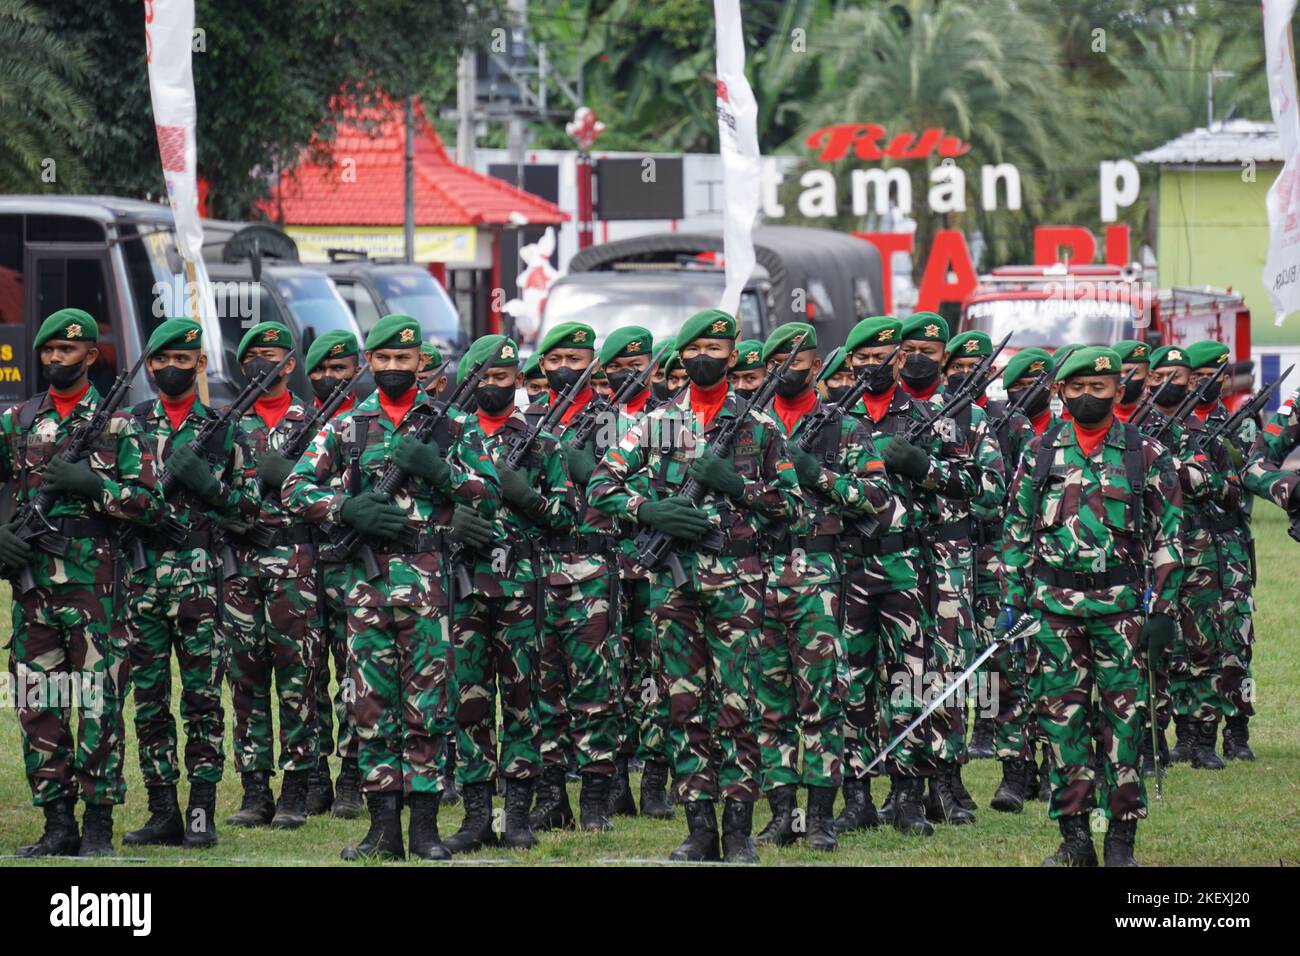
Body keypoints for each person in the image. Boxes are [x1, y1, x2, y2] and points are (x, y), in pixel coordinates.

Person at [284, 313, 500, 860]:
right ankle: (382, 829)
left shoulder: (452, 426)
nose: (394, 368)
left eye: (404, 359)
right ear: (370, 363)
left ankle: (424, 827)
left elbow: (491, 491)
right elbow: (293, 486)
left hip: (429, 583)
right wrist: (345, 506)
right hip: (364, 586)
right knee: (370, 705)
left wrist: (441, 471)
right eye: (383, 359)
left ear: (419, 363)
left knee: (428, 705)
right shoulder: (348, 425)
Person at [588, 308, 800, 862]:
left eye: (716, 348)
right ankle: (698, 827)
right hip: (673, 585)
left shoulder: (761, 424)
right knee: (682, 706)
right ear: (681, 358)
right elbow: (600, 486)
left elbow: (795, 509)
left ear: (733, 356)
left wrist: (740, 488)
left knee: (739, 705)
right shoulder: (655, 423)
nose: (705, 357)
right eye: (695, 349)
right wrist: (651, 510)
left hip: (739, 583)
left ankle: (739, 832)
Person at [1001, 346, 1183, 866]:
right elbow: (1016, 535)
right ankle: (1075, 840)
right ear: (1059, 392)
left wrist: (1164, 613)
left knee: (1126, 727)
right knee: (1063, 728)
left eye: (1098, 388)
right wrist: (1010, 604)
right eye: (1076, 388)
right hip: (1053, 615)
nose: (1087, 396)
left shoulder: (1143, 454)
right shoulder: (1038, 453)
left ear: (1118, 390)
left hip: (1123, 613)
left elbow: (1171, 537)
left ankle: (1121, 842)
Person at [0, 308, 163, 856]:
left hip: (96, 586)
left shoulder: (121, 425)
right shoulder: (17, 419)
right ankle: (57, 825)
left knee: (98, 703)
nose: (54, 360)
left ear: (91, 356)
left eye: (66, 351)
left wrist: (93, 485)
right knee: (37, 702)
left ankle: (96, 827)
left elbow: (149, 503)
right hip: (33, 589)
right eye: (47, 351)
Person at [752, 322, 892, 852]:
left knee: (823, 700)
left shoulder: (844, 428)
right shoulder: (750, 426)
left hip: (818, 578)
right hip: (757, 573)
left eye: (800, 361)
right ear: (767, 370)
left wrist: (821, 477)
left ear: (816, 367)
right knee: (768, 702)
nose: (789, 370)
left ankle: (820, 818)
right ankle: (781, 813)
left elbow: (880, 501)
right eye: (779, 363)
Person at [122, 318, 261, 850]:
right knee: (151, 701)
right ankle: (162, 810)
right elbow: (110, 499)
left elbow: (252, 510)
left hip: (203, 584)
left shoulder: (224, 430)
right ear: (151, 365)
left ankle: (201, 810)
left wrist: (213, 490)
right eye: (164, 360)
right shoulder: (130, 426)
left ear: (201, 364)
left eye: (186, 360)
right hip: (143, 583)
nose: (174, 368)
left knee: (203, 699)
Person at [442, 333, 573, 852]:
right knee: (468, 702)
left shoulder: (542, 442)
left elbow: (566, 518)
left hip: (520, 589)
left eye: (501, 378)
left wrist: (530, 500)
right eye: (482, 378)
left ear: (518, 382)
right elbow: (428, 508)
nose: (491, 387)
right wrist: (453, 525)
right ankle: (476, 818)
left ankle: (517, 816)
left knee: (523, 701)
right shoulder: (448, 438)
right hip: (465, 587)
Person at [223, 321, 322, 831]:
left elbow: (335, 492)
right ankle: (255, 789)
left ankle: (298, 789)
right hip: (239, 565)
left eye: (273, 355)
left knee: (297, 677)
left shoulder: (316, 421)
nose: (264, 364)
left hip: (295, 565)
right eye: (254, 356)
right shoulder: (225, 424)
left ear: (290, 365)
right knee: (245, 679)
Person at [526, 320, 624, 833]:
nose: (566, 369)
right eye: (556, 361)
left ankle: (594, 800)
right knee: (543, 687)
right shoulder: (528, 421)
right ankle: (550, 794)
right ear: (542, 366)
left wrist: (596, 469)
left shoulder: (615, 419)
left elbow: (636, 483)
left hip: (590, 566)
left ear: (593, 365)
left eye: (576, 360)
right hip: (538, 566)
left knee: (594, 685)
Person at [1144, 345, 1241, 770]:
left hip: (1200, 553)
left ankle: (1202, 738)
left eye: (1181, 376)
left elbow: (1232, 490)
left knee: (1204, 645)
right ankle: (1160, 737)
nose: (1172, 383)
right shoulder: (1134, 431)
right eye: (1162, 375)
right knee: (1157, 650)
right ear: (1149, 380)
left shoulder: (1206, 433)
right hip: (1153, 553)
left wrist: (1189, 473)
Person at [600, 327, 674, 818]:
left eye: (641, 363)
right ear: (605, 372)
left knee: (658, 669)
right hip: (606, 560)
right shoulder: (591, 419)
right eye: (621, 366)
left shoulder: (671, 416)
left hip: (657, 559)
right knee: (611, 671)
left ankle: (654, 779)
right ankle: (615, 779)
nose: (633, 373)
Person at [984, 348, 1054, 811]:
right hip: (1016, 567)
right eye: (1016, 387)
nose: (1023, 395)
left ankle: (1053, 768)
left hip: (1061, 573)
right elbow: (1008, 514)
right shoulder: (1006, 432)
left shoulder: (1067, 437)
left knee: (1054, 672)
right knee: (1009, 671)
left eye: (1033, 384)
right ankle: (1015, 771)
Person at [302, 330, 366, 818]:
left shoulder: (365, 424)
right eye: (320, 371)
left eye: (339, 370)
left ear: (357, 369)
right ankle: (314, 777)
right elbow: (289, 489)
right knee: (306, 677)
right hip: (301, 569)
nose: (330, 379)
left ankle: (352, 775)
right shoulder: (298, 423)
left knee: (353, 679)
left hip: (353, 571)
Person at [1186, 341, 1257, 760]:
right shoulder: (1171, 426)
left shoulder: (1237, 423)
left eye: (1212, 378)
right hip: (1192, 545)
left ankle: (1238, 730)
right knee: (1194, 640)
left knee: (1237, 639)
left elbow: (1245, 478)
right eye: (1195, 379)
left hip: (1229, 545)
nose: (1204, 385)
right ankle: (1195, 732)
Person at [1112, 340, 1151, 422]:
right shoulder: (1096, 417)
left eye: (1131, 372)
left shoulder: (1156, 417)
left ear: (1148, 377)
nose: (1123, 378)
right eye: (1118, 373)